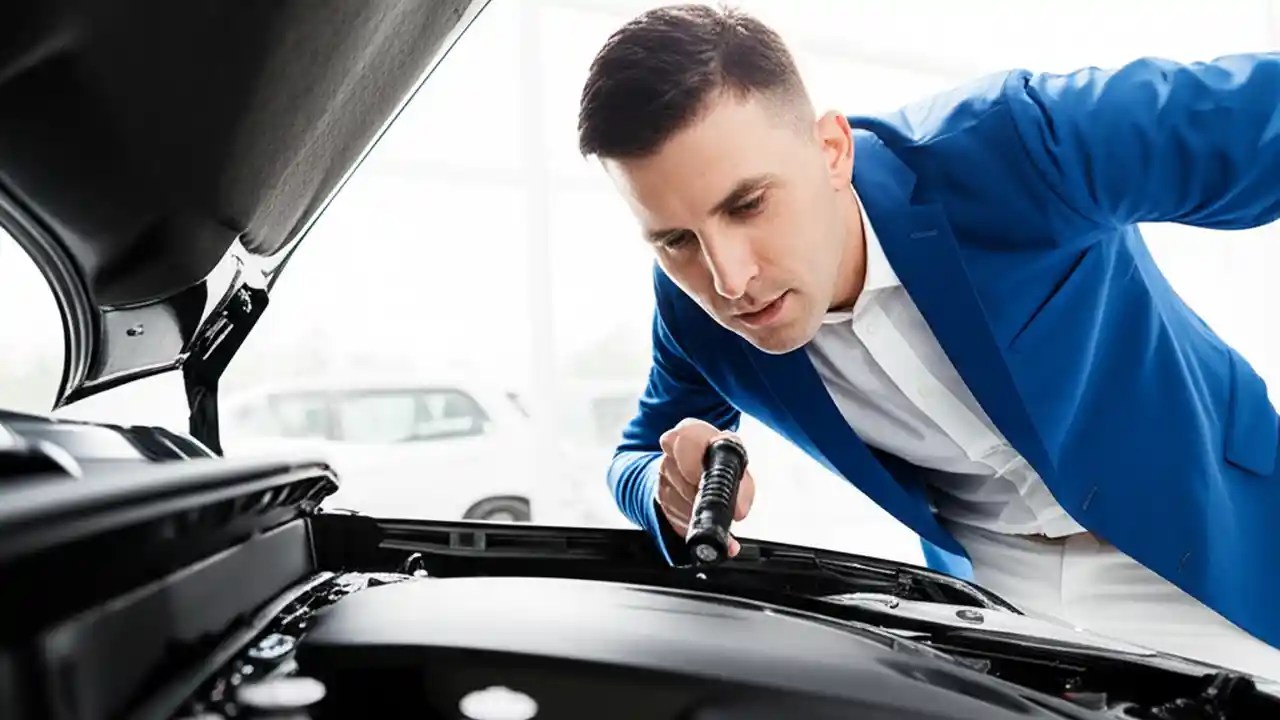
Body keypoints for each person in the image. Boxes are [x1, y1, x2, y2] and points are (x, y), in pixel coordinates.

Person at [575, 3, 1280, 678]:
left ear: (830, 151)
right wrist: (664, 491)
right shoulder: (692, 312)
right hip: (1002, 605)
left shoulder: (1017, 145)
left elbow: (1259, 116)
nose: (729, 278)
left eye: (748, 204)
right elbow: (638, 452)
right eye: (674, 239)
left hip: (1217, 535)